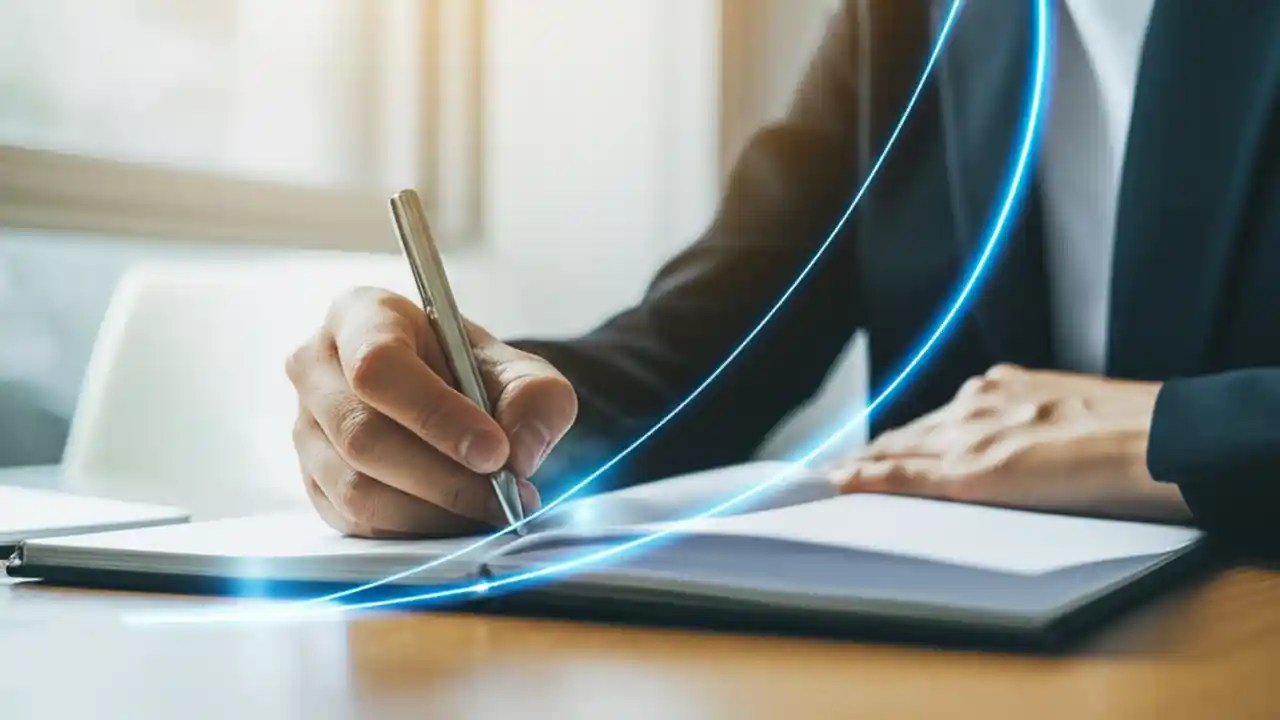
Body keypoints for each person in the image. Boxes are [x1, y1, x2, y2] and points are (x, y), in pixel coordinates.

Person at [286, 0, 1280, 550]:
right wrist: (467, 414)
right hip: (953, 661)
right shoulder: (906, 20)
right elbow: (694, 358)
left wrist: (1184, 434)